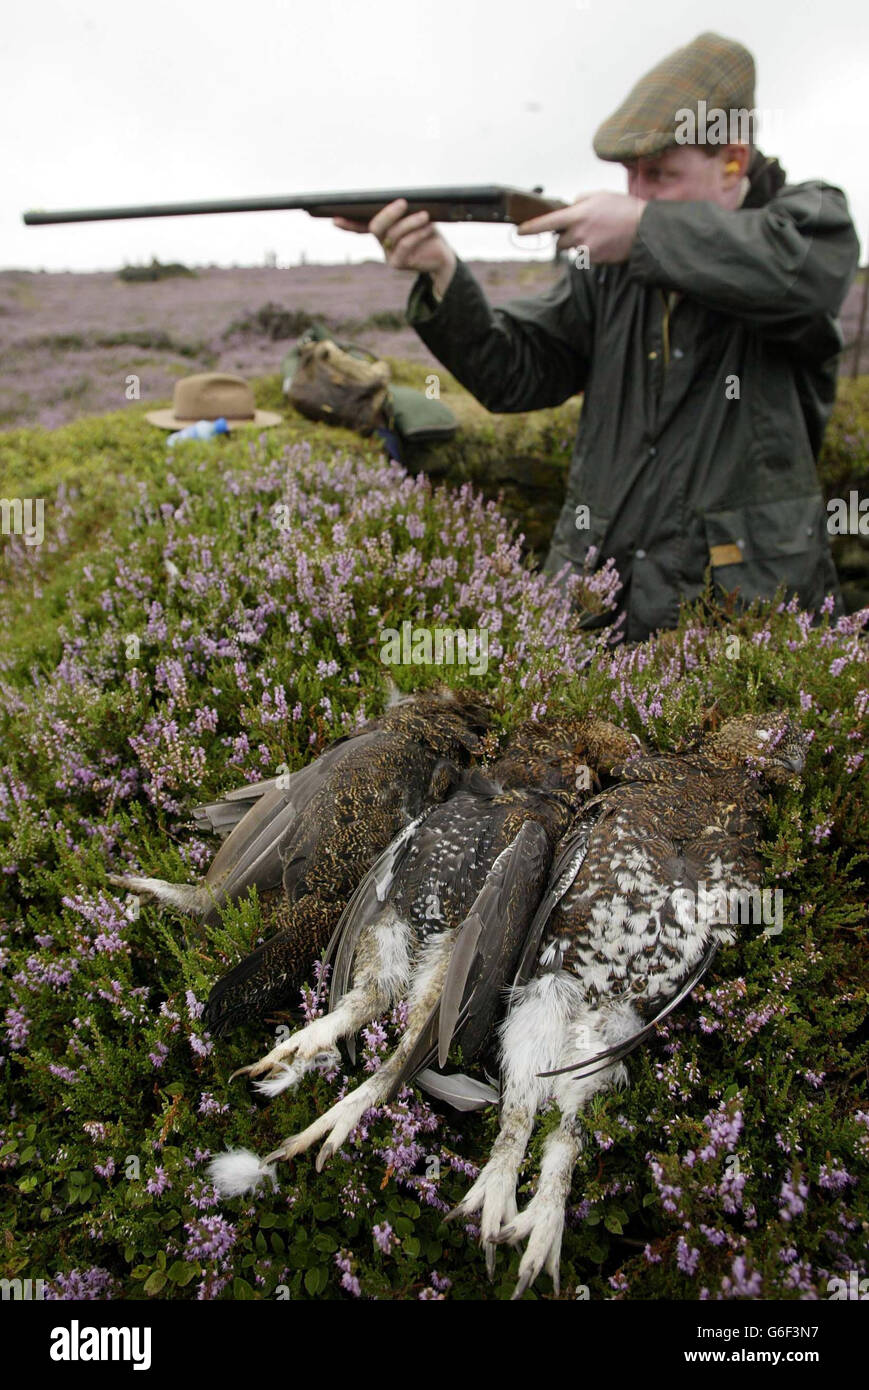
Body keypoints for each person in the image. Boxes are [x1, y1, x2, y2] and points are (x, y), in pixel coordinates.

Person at [333, 32, 860, 643]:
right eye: (630, 175)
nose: (635, 195)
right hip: (594, 610)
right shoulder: (613, 263)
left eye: (659, 174)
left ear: (733, 161)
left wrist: (643, 233)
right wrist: (442, 274)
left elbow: (796, 276)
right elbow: (515, 374)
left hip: (742, 624)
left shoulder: (809, 223)